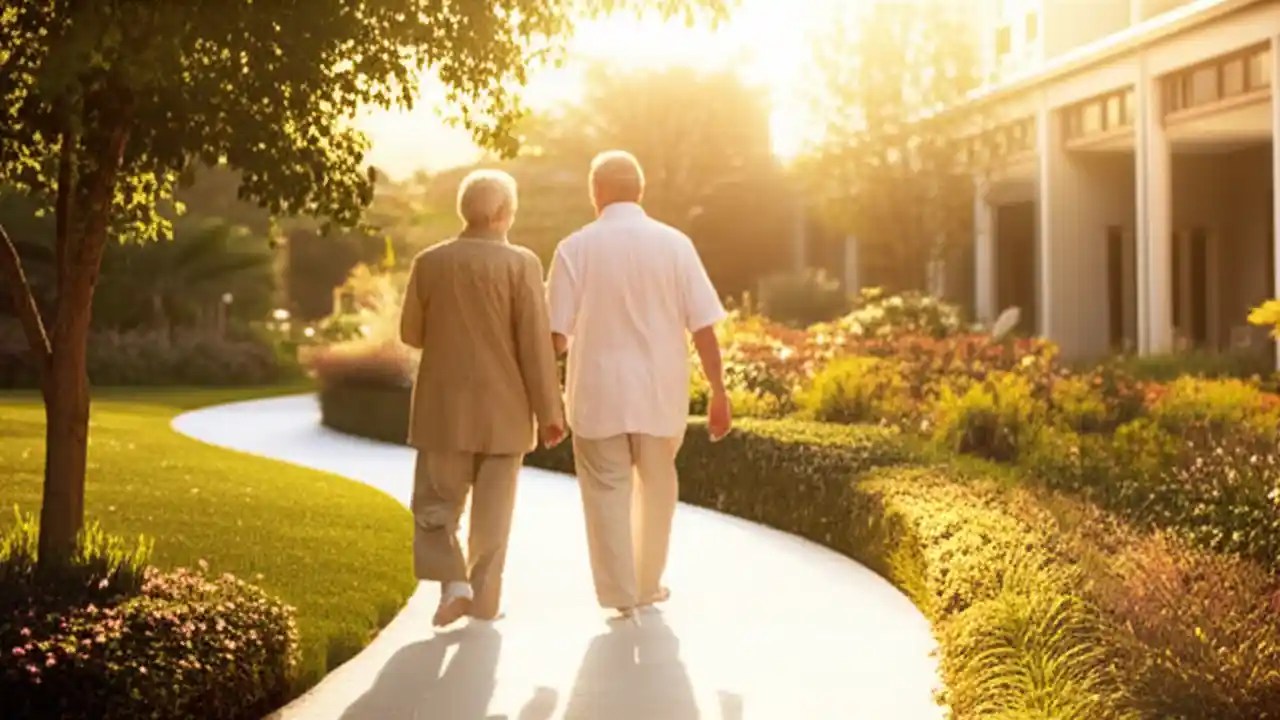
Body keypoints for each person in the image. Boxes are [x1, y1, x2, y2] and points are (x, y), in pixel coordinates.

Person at [547, 150, 731, 619]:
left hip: (596, 393)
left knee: (606, 491)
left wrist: (538, 394)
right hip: (659, 392)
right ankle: (646, 583)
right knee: (657, 488)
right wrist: (719, 393)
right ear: (641, 191)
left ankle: (619, 593)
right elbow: (704, 327)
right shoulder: (675, 245)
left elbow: (555, 338)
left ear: (596, 192)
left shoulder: (574, 248)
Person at [399, 169, 565, 628]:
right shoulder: (523, 264)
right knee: (493, 518)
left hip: (443, 409)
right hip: (506, 411)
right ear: (504, 213)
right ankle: (485, 603)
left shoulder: (429, 262)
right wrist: (551, 413)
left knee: (436, 506)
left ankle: (453, 584)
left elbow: (410, 333)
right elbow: (535, 345)